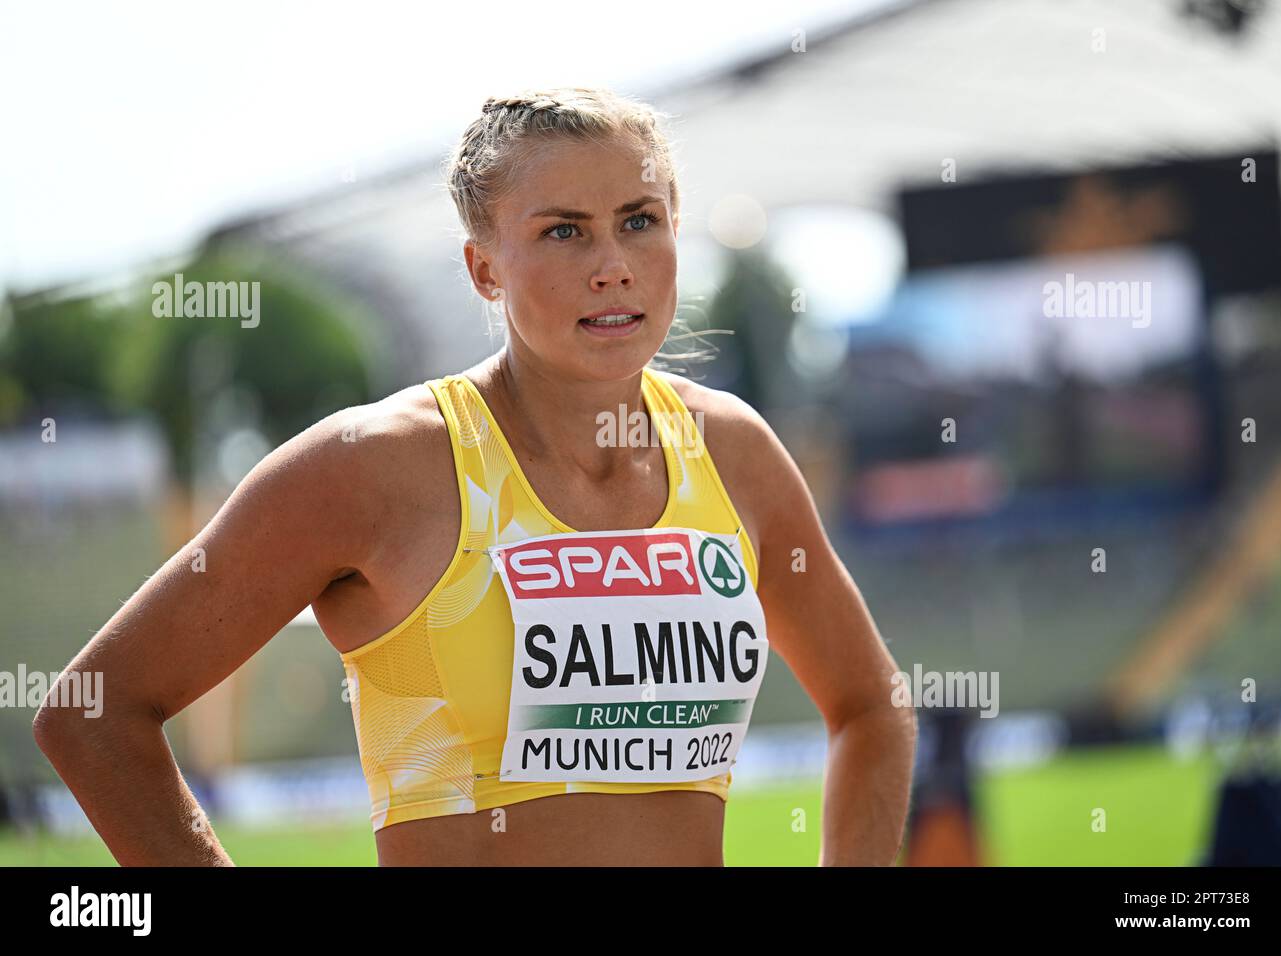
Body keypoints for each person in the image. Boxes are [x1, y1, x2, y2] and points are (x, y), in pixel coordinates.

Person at [32, 86, 915, 866]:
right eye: (563, 230)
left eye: (640, 219)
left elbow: (871, 706)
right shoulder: (375, 466)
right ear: (483, 267)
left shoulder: (732, 452)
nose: (612, 263)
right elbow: (94, 711)